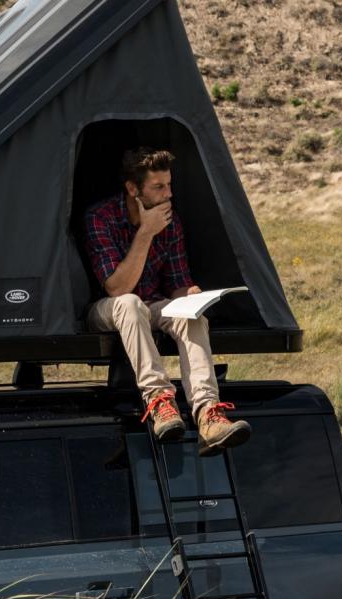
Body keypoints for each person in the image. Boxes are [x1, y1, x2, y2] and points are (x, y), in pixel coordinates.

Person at [81, 147, 249, 455]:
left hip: (152, 304)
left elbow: (175, 282)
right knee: (130, 303)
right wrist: (145, 232)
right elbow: (117, 288)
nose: (168, 194)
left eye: (169, 185)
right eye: (159, 187)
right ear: (133, 189)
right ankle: (160, 403)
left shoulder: (171, 222)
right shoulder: (100, 218)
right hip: (108, 308)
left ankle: (208, 414)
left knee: (192, 315)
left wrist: (190, 294)